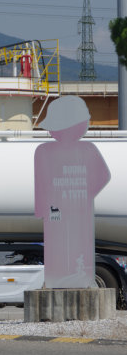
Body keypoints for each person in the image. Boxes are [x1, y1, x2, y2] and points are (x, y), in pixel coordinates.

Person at [34, 96, 110, 288]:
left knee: (65, 245)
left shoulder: (44, 151)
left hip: (57, 212)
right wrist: (84, 196)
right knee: (72, 244)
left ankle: (65, 278)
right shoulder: (87, 149)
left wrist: (42, 209)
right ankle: (75, 278)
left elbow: (41, 184)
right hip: (75, 212)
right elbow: (104, 176)